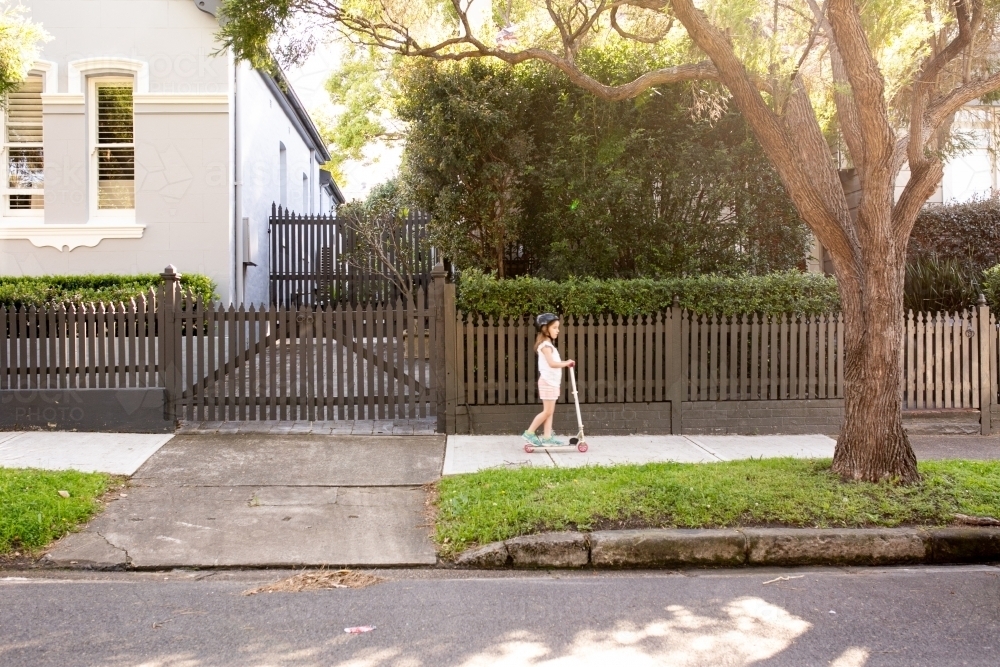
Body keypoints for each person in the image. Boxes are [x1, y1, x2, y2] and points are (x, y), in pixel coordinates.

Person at [523, 313, 575, 446]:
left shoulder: (549, 344)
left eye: (558, 327)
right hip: (547, 382)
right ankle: (529, 433)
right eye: (555, 327)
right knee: (547, 411)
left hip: (552, 382)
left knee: (550, 412)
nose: (558, 330)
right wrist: (567, 363)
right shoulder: (545, 346)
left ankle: (547, 437)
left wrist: (565, 363)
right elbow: (552, 363)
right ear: (545, 329)